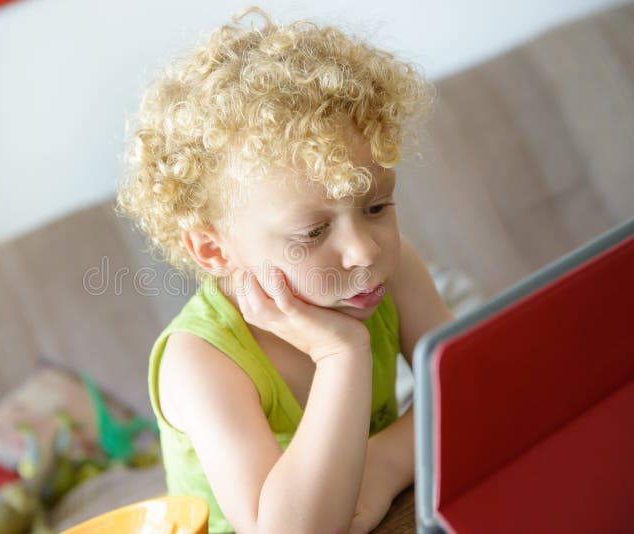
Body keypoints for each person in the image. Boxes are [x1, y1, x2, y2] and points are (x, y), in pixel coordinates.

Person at [116, 6, 454, 533]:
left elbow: (475, 389)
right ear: (214, 250)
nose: (363, 250)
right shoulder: (200, 360)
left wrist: (386, 461)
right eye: (313, 233)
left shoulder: (390, 270)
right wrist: (341, 353)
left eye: (376, 206)